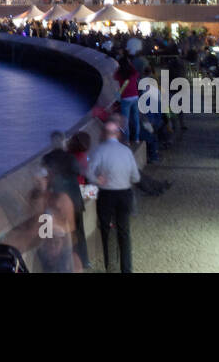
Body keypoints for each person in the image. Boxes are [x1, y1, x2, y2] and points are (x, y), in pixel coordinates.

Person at [88, 121, 140, 273]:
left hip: (106, 195)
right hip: (124, 194)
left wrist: (99, 180)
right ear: (117, 134)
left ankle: (110, 266)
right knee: (124, 232)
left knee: (105, 231)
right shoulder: (126, 151)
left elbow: (89, 173)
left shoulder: (99, 150)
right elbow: (136, 177)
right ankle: (126, 268)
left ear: (104, 134)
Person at [42, 131, 89, 269]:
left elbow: (44, 178)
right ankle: (84, 260)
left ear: (52, 142)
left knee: (58, 236)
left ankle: (60, 265)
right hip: (75, 200)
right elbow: (79, 172)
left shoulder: (47, 158)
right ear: (63, 142)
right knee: (79, 232)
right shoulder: (70, 157)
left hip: (58, 204)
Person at [114, 55, 141, 144]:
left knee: (125, 121)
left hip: (125, 99)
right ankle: (137, 139)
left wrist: (119, 67)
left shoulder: (119, 74)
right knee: (136, 118)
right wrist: (130, 65)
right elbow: (137, 73)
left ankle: (127, 140)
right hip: (135, 97)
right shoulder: (133, 73)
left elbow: (113, 76)